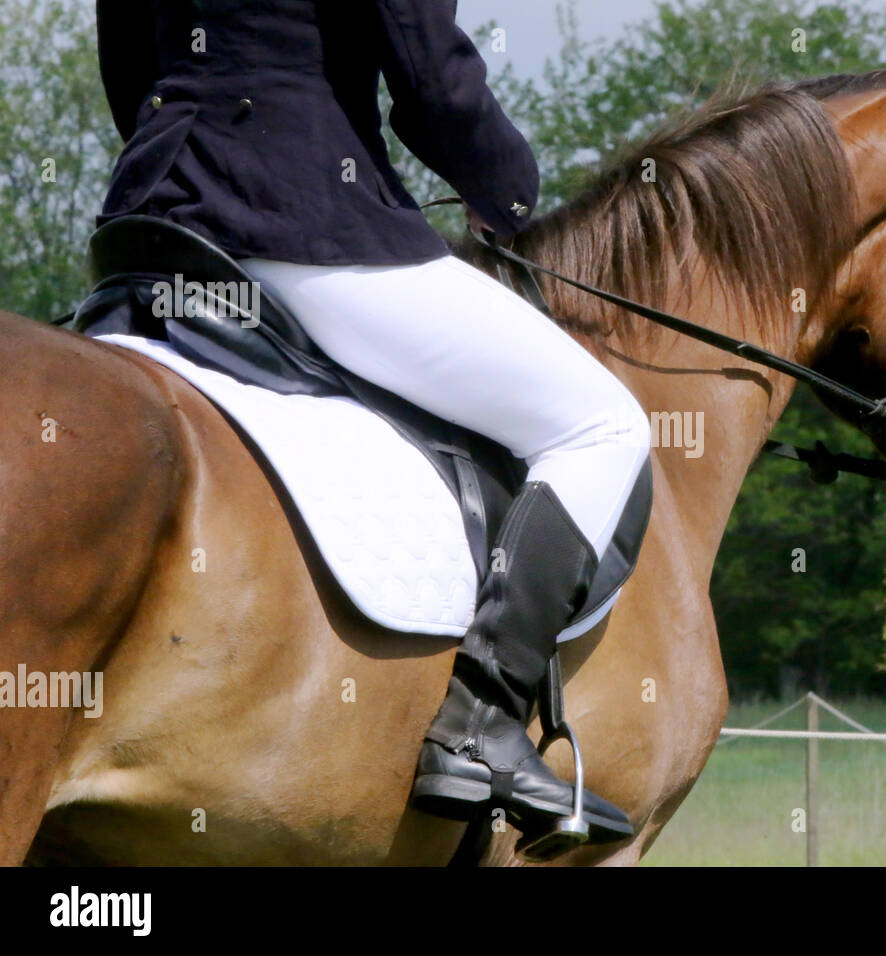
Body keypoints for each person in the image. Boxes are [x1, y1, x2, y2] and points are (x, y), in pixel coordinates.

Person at [96, 0, 650, 841]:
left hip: (152, 225)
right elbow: (430, 76)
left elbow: (129, 61)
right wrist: (504, 186)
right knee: (601, 427)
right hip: (300, 218)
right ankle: (482, 727)